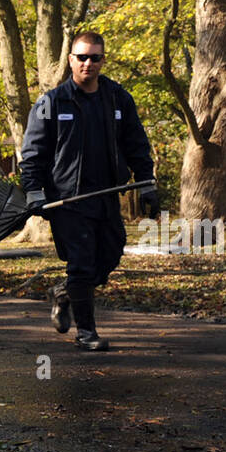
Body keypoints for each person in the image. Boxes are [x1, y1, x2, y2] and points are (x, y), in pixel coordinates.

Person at [20, 31, 160, 351]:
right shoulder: (51, 103)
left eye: (94, 57)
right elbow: (33, 154)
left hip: (107, 194)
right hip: (68, 199)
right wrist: (34, 192)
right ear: (70, 60)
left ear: (102, 60)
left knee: (111, 253)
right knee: (82, 263)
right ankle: (86, 333)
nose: (88, 63)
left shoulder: (118, 99)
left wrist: (147, 182)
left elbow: (136, 143)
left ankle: (65, 292)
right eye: (81, 57)